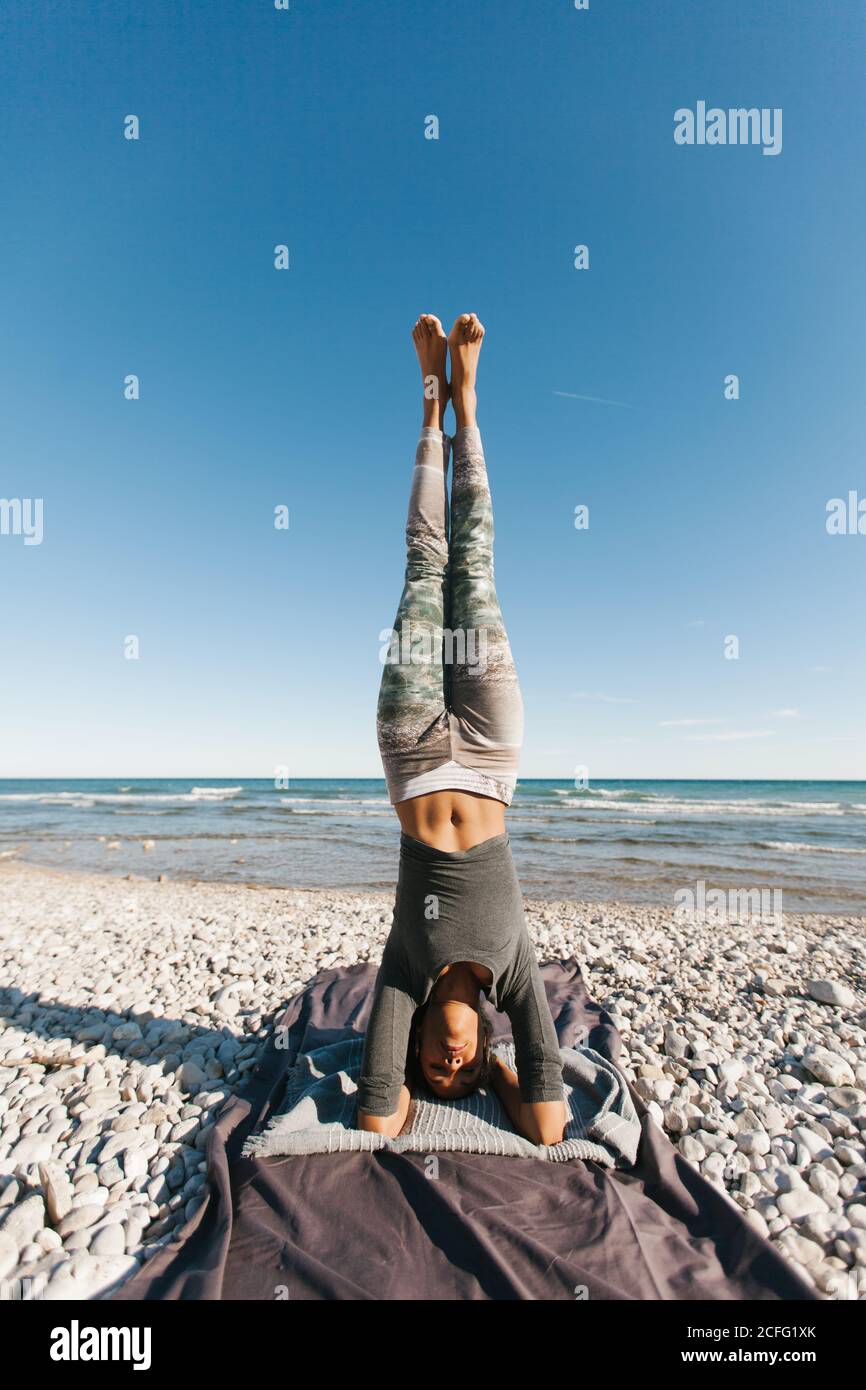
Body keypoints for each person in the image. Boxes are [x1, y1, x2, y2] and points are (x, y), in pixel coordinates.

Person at [356, 313, 567, 1146]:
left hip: (411, 751)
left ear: (413, 1049)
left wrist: (408, 1092)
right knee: (472, 567)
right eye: (467, 1070)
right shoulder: (514, 971)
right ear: (486, 1045)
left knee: (424, 563)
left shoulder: (403, 974)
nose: (451, 1068)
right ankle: (469, 408)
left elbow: (379, 1118)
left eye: (436, 1074)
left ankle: (428, 406)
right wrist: (505, 1078)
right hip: (489, 747)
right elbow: (547, 1127)